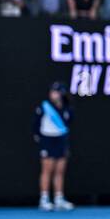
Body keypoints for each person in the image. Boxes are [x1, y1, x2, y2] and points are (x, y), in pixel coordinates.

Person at [35, 82, 75, 211]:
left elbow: (68, 123)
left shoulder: (67, 108)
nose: (54, 94)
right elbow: (35, 125)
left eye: (57, 92)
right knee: (47, 169)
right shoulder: (44, 106)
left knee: (60, 170)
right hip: (47, 139)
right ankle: (44, 198)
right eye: (53, 91)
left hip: (61, 139)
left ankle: (59, 198)